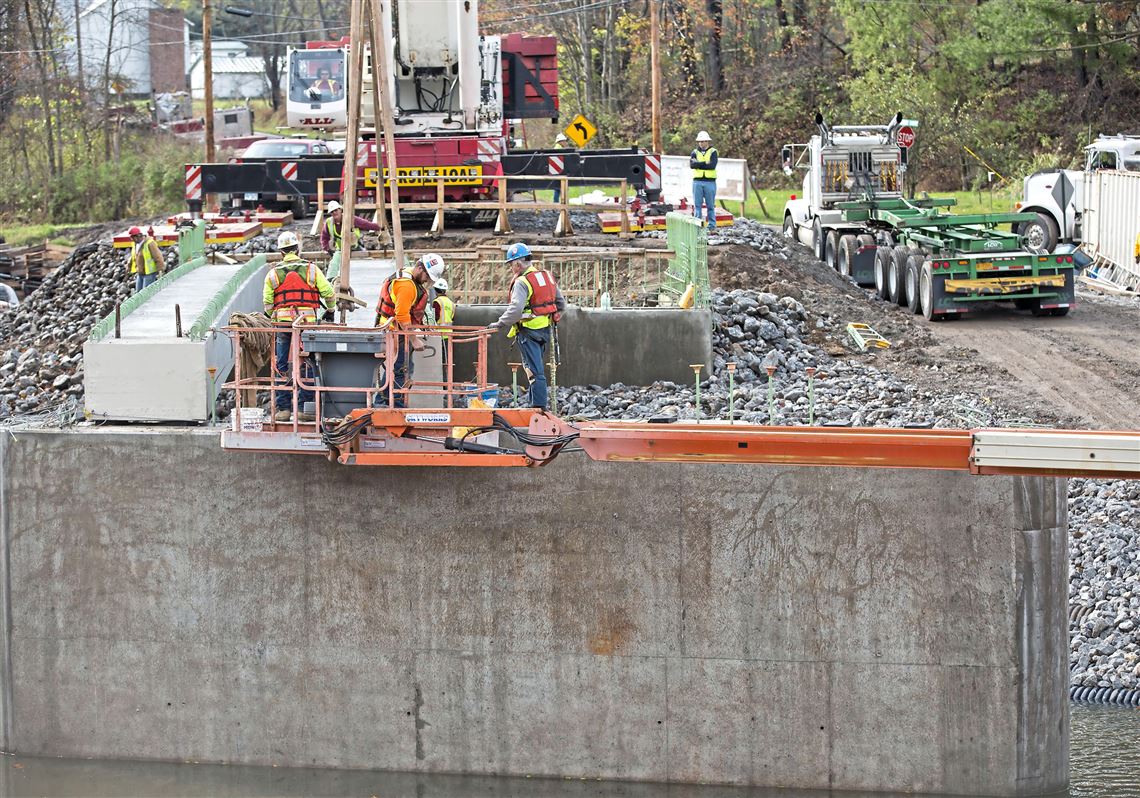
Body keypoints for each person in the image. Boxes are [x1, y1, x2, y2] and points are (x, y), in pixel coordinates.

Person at [263, 230, 334, 422]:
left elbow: (268, 302)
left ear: (281, 252)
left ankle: (284, 409)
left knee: (281, 364)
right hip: (307, 324)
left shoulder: (273, 273)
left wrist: (275, 315)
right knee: (309, 361)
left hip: (283, 324)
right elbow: (328, 291)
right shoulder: (312, 269)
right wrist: (331, 310)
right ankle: (305, 409)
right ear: (297, 250)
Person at [488, 242, 566, 410]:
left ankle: (538, 407)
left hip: (528, 331)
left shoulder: (522, 282)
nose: (511, 268)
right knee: (536, 368)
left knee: (534, 371)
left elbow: (515, 310)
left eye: (511, 265)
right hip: (545, 331)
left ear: (517, 263)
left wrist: (499, 324)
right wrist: (555, 315)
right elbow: (561, 304)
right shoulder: (546, 277)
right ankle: (536, 404)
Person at [375, 253, 446, 408]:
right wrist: (414, 339)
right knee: (400, 369)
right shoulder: (406, 285)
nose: (427, 281)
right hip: (395, 333)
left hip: (396, 332)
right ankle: (391, 406)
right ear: (420, 269)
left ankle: (385, 403)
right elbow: (401, 315)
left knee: (399, 368)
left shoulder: (407, 275)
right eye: (427, 277)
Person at [689, 130, 718, 230]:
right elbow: (692, 165)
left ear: (707, 141)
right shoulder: (694, 152)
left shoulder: (713, 152)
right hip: (697, 182)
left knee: (710, 206)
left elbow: (712, 166)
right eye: (700, 141)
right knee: (697, 205)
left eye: (703, 141)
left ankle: (711, 226)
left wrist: (699, 164)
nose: (701, 143)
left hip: (710, 182)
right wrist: (705, 163)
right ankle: (697, 226)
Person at [127, 226, 165, 293]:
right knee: (138, 292)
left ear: (138, 236)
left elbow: (158, 257)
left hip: (149, 273)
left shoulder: (149, 243)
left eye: (132, 237)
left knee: (146, 292)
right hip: (140, 272)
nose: (131, 239)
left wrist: (160, 270)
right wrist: (129, 266)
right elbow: (133, 256)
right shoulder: (135, 244)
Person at [431, 278, 456, 373]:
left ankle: (443, 384)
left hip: (439, 335)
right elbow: (452, 318)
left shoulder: (437, 302)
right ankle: (447, 383)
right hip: (450, 335)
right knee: (447, 361)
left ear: (436, 290)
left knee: (439, 361)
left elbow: (434, 318)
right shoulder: (451, 303)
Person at [552, 133, 569, 205]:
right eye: (564, 141)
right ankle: (562, 205)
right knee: (560, 189)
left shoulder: (557, 147)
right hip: (559, 172)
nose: (565, 143)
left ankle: (556, 204)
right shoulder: (559, 148)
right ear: (560, 141)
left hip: (557, 172)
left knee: (557, 189)